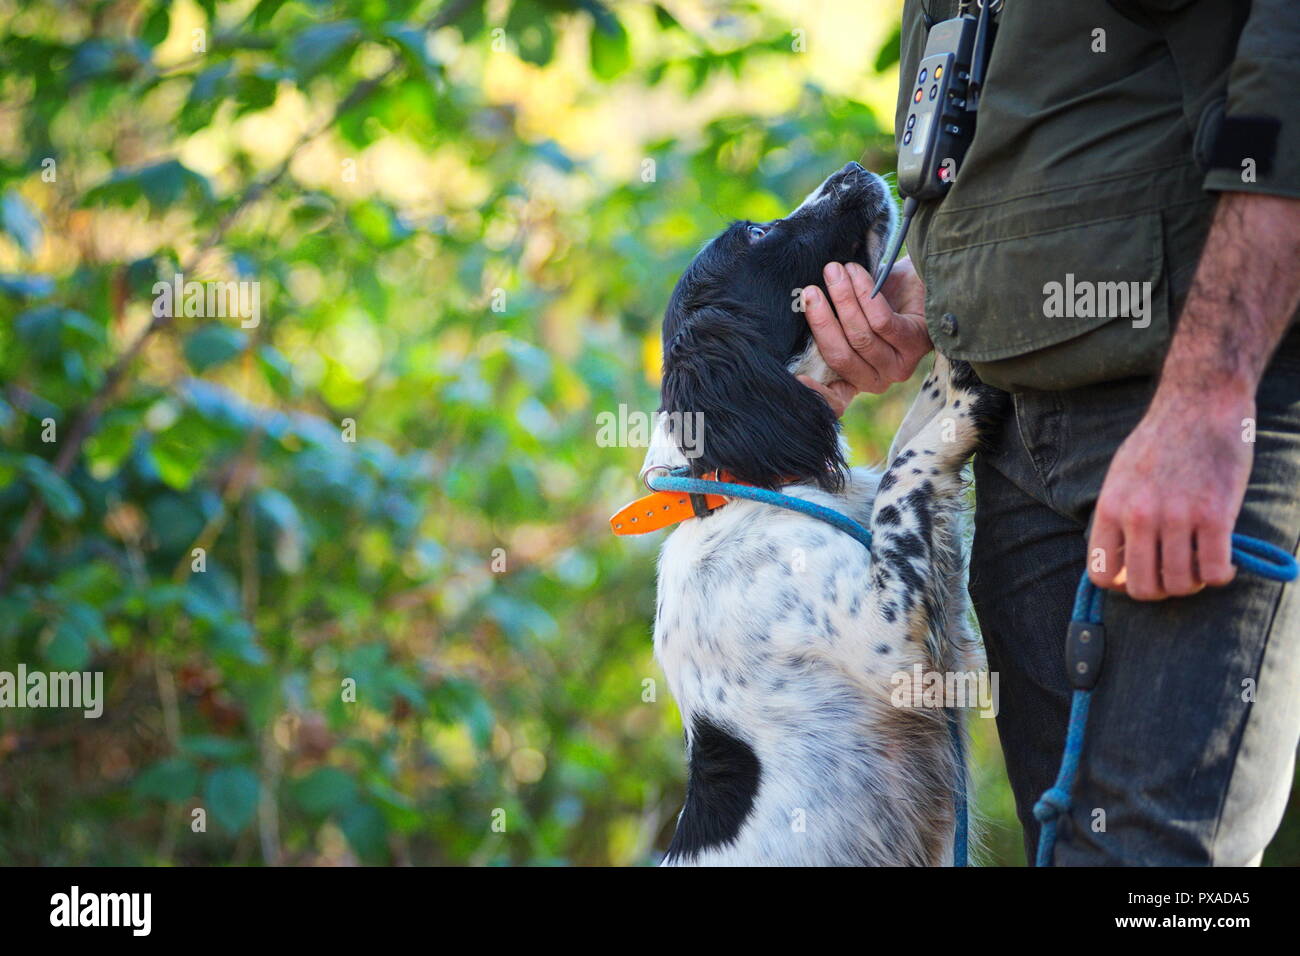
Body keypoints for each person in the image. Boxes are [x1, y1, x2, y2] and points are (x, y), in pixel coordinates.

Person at [799, 1, 1300, 865]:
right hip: (1014, 423)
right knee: (1067, 849)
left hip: (1185, 388)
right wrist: (955, 289)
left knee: (1157, 873)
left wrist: (1210, 392)